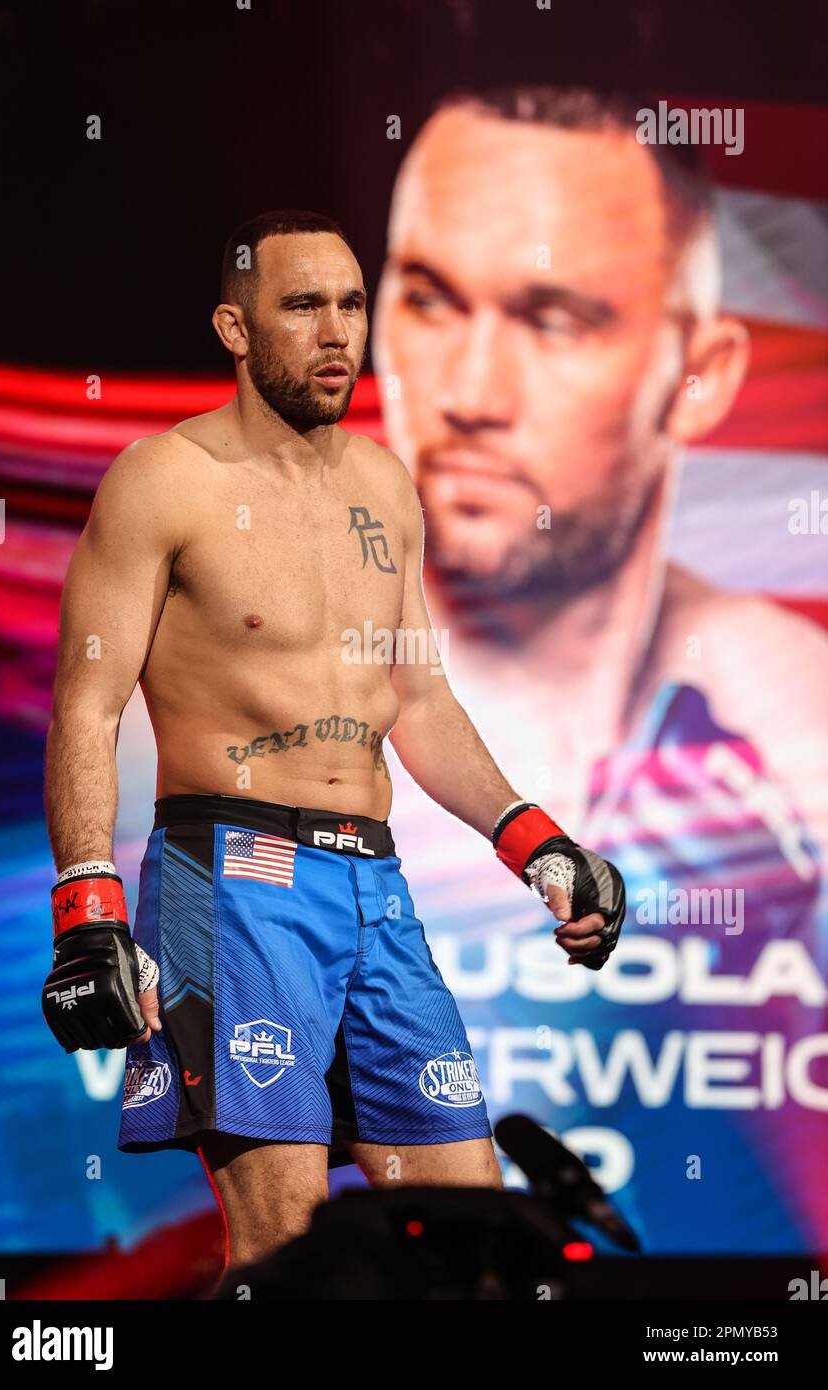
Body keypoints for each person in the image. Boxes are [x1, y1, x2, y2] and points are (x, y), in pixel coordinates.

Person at [41, 209, 625, 1273]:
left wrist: (535, 844)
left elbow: (420, 699)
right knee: (285, 1252)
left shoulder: (382, 487)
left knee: (472, 1241)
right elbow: (86, 703)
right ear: (234, 325)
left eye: (350, 304)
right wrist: (86, 907)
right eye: (302, 305)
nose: (335, 331)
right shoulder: (163, 479)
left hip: (374, 888)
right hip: (229, 874)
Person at [372, 87, 828, 1250]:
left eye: (554, 317)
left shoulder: (798, 738)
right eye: (425, 299)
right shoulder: (165, 729)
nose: (466, 392)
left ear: (701, 374)